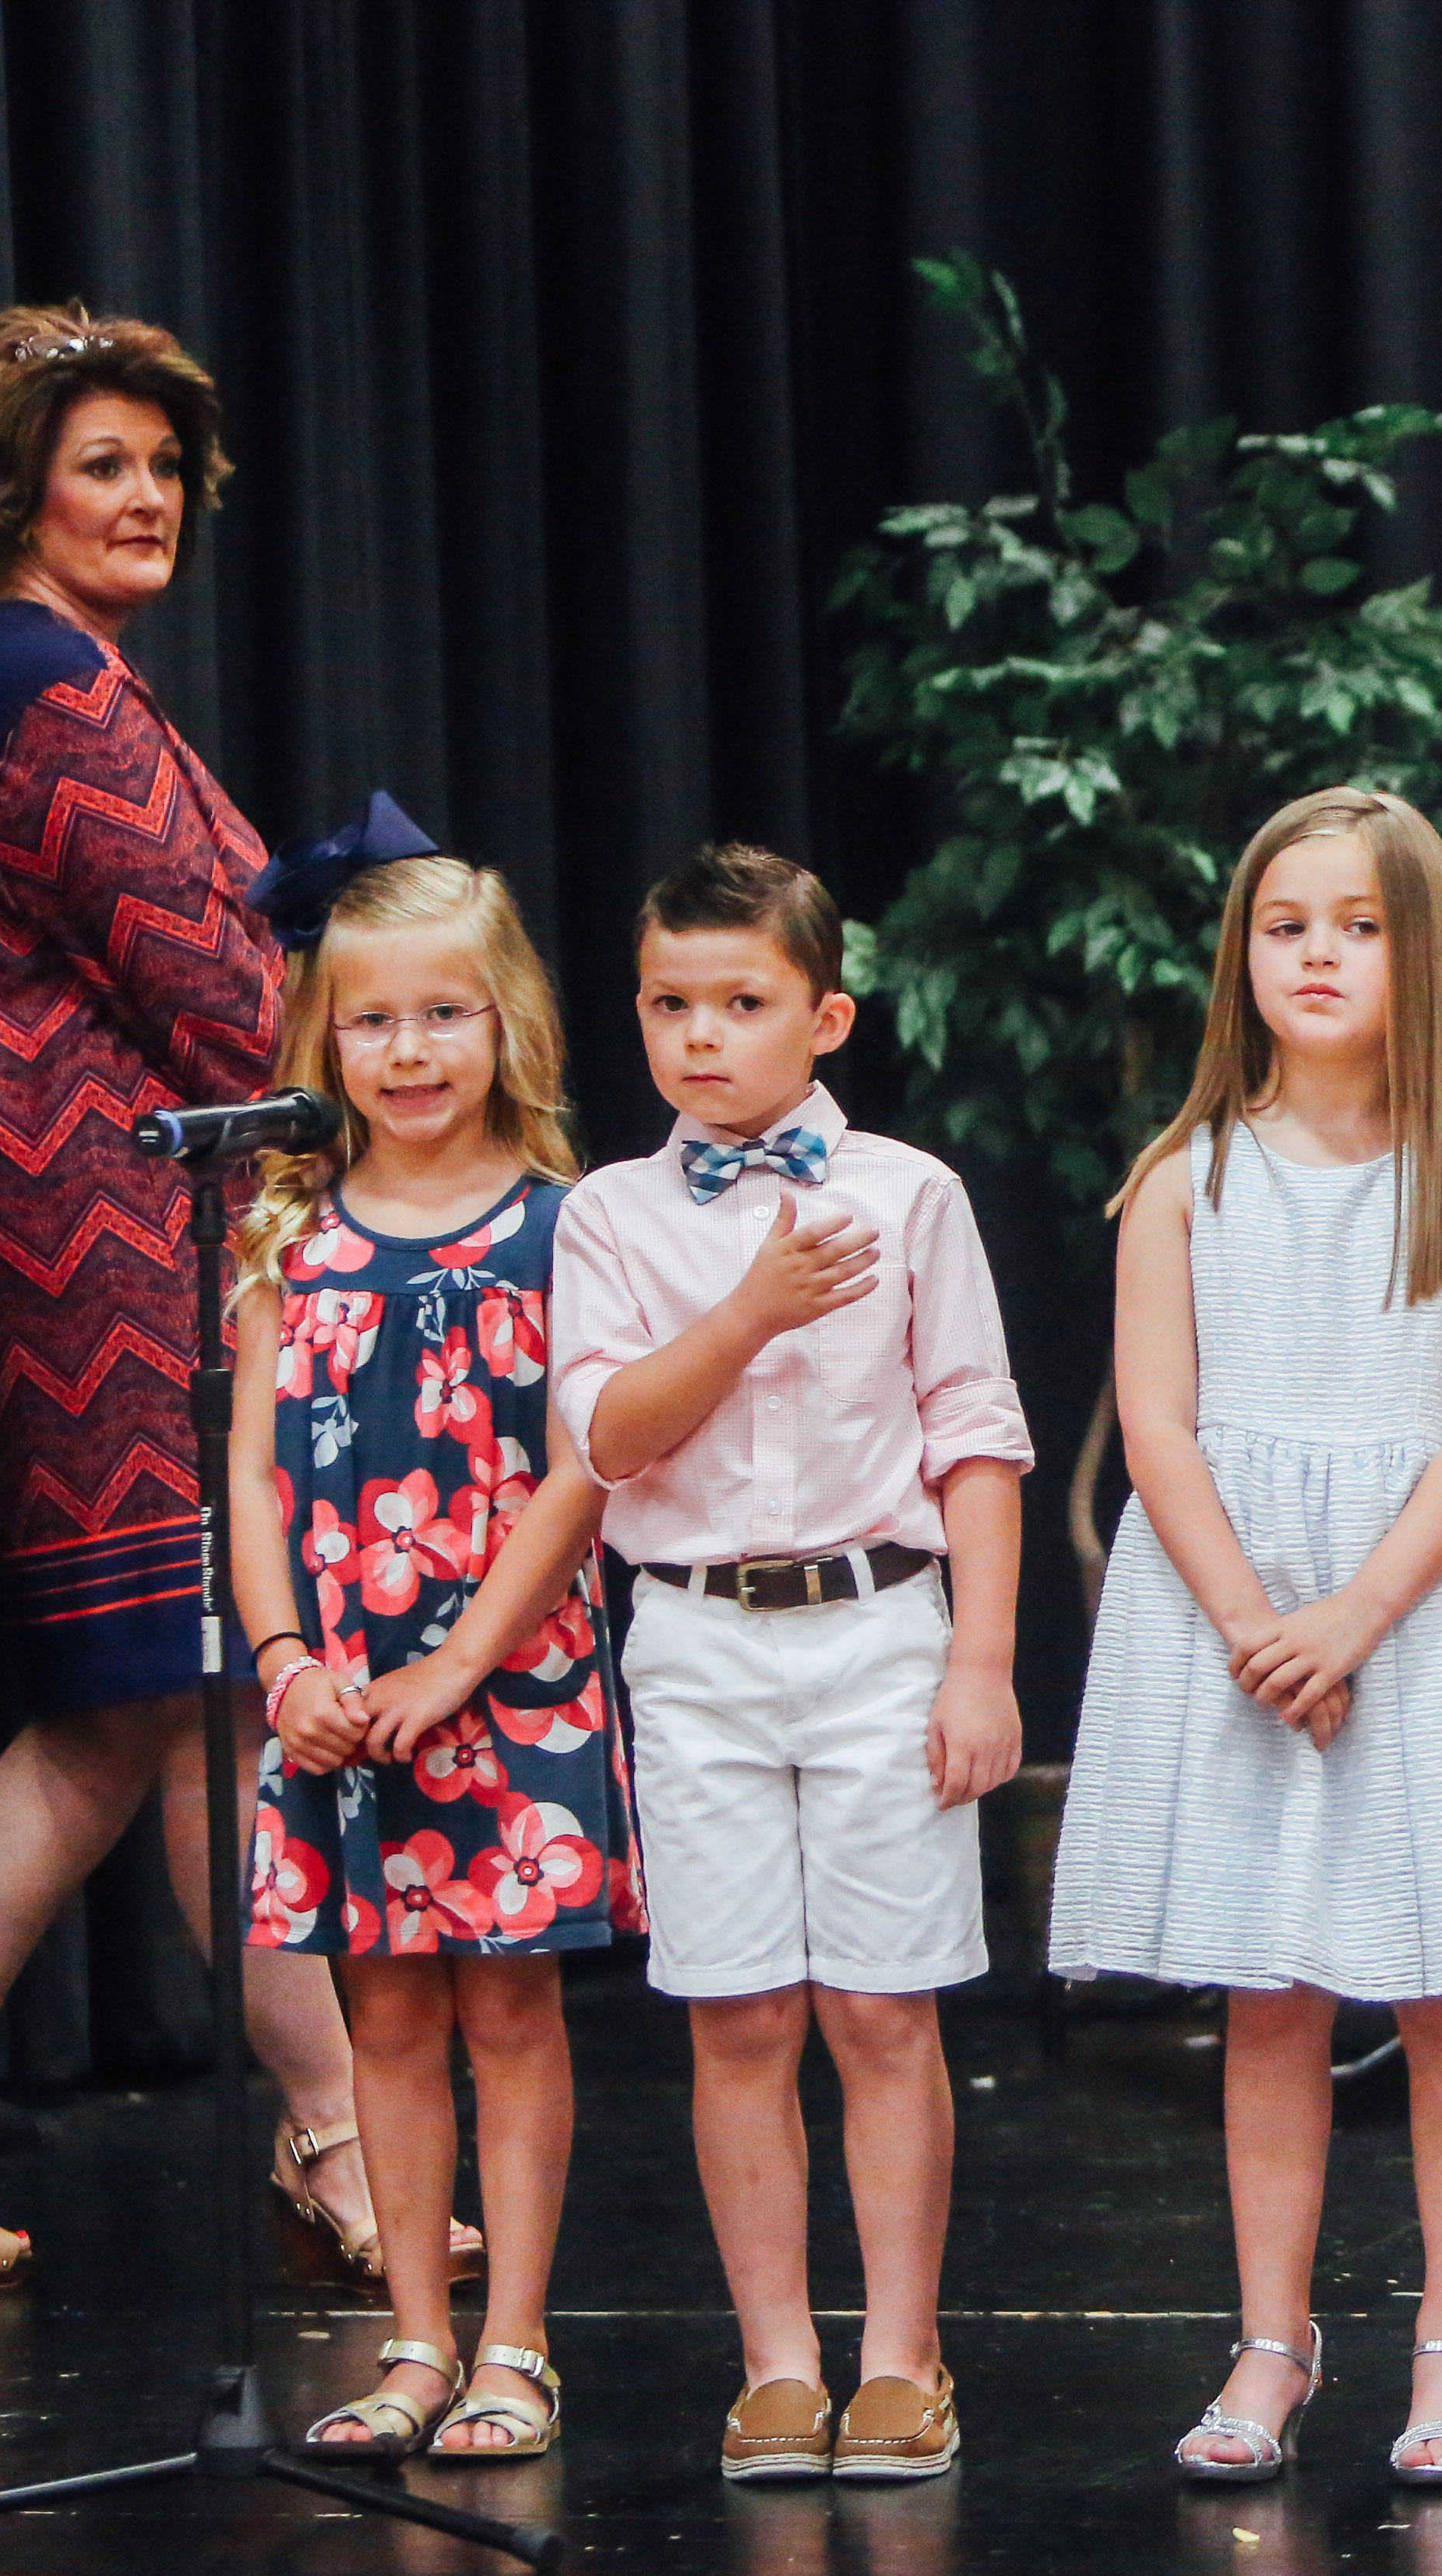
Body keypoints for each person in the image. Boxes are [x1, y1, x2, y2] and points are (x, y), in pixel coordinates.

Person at [0, 305, 404, 2294]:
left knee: (167, 1703)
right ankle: (301, 2140)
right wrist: (388, 1021)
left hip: (94, 1245)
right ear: (11, 493)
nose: (144, 497)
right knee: (154, 1693)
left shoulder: (18, 674)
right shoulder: (41, 687)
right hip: (111, 1256)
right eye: (100, 467)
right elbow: (220, 996)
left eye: (159, 465)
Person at [1050, 787, 1442, 2488]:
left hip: (1421, 1618)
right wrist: (1250, 1625)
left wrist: (1358, 1611)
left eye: (1359, 926)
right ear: (1244, 951)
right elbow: (1157, 1422)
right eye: (1287, 924)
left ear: (1418, 958)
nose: (1317, 953)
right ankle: (1270, 2342)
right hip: (1235, 1619)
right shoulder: (1186, 1182)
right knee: (1270, 1986)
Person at [552, 845, 1032, 2484]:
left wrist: (983, 1661)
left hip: (881, 1625)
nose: (702, 1036)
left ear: (823, 1015)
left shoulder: (908, 1196)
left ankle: (903, 2353)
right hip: (692, 1635)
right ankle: (776, 2361)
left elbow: (976, 1434)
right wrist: (749, 1308)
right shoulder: (610, 1215)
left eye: (741, 1003)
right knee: (735, 2014)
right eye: (670, 1004)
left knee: (884, 2014)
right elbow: (608, 1436)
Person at [227, 828, 626, 2464]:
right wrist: (281, 1662)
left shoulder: (563, 1229)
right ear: (327, 1037)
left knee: (508, 2014)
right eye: (375, 1022)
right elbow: (249, 1468)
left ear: (506, 1027)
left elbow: (580, 1471)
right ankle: (412, 2336)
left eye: (444, 1017)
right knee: (382, 2017)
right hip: (334, 1686)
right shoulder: (284, 1236)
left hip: (502, 1674)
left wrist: (460, 1664)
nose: (409, 1053)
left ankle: (515, 2344)